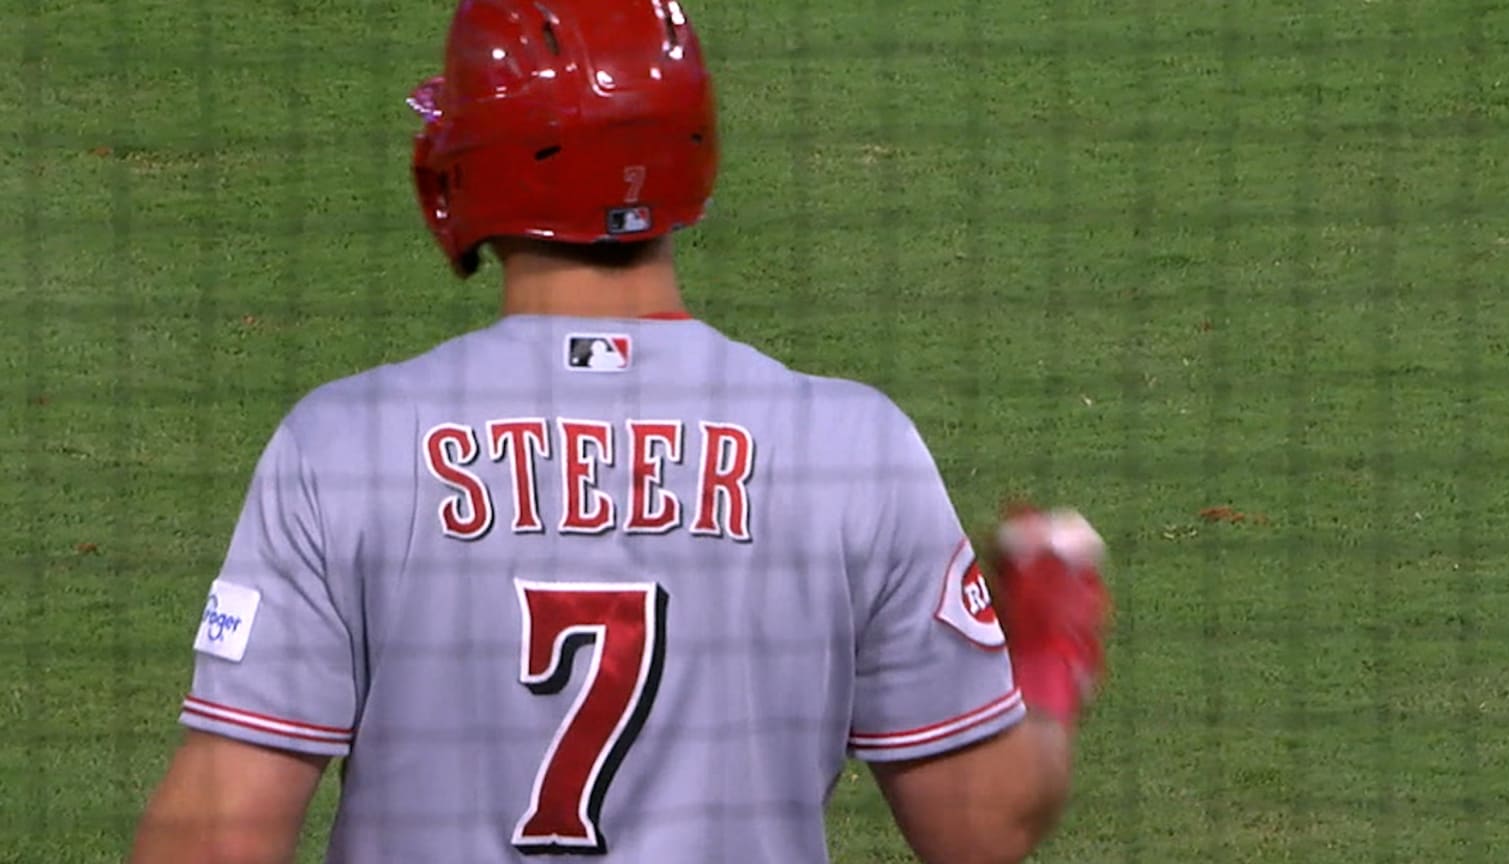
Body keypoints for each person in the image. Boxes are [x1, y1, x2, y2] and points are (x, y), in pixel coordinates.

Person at [128, 1, 1113, 862]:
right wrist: (1047, 654)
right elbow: (982, 829)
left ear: (471, 164)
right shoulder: (850, 447)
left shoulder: (346, 448)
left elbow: (218, 838)